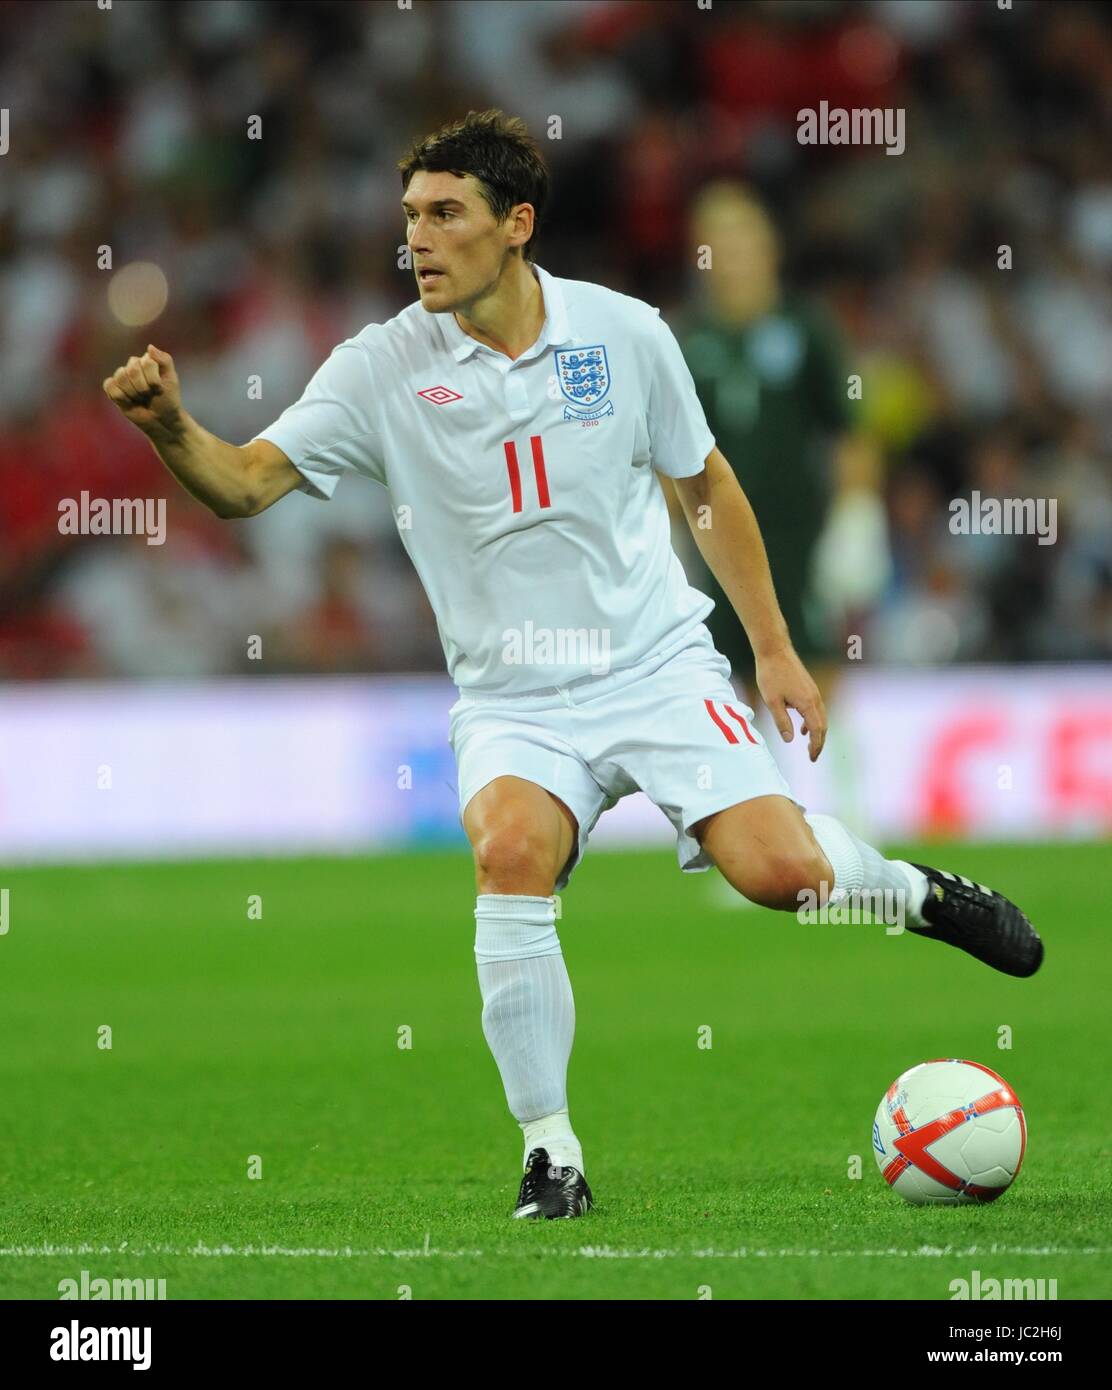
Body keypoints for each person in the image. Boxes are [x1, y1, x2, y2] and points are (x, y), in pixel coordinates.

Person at [103, 110, 1044, 1222]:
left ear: (516, 225)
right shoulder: (377, 366)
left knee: (780, 877)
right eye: (410, 217)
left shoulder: (624, 334)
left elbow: (703, 486)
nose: (419, 239)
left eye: (445, 214)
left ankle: (921, 894)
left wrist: (778, 648)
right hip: (512, 700)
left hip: (655, 665)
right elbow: (247, 482)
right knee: (507, 853)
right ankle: (550, 1153)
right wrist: (171, 428)